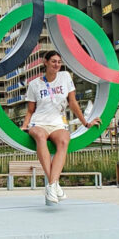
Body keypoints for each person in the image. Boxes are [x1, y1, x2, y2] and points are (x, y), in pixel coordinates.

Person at [19, 50, 92, 206]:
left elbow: (72, 103)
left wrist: (85, 123)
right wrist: (25, 126)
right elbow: (30, 110)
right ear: (45, 62)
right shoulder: (34, 84)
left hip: (57, 122)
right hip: (38, 123)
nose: (57, 64)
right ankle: (54, 185)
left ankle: (52, 185)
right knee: (40, 137)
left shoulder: (65, 77)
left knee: (64, 141)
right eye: (53, 61)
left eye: (59, 61)